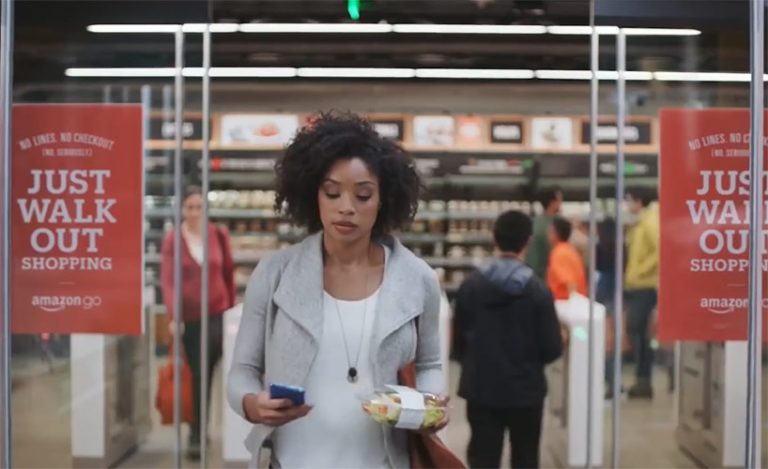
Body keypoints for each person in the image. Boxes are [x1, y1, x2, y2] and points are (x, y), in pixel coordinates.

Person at [226, 112, 446, 469]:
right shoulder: (276, 274)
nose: (346, 206)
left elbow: (430, 363)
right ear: (313, 194)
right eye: (332, 192)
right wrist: (252, 404)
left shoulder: (416, 279)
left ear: (383, 200)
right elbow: (243, 371)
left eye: (363, 195)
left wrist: (430, 405)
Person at [454, 210, 562, 469]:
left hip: (481, 389)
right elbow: (551, 348)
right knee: (525, 458)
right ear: (528, 241)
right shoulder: (538, 291)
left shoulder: (471, 286)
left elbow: (458, 343)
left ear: (494, 238)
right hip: (525, 392)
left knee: (482, 457)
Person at [160, 185, 236, 460]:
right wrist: (173, 315)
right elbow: (168, 280)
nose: (194, 212)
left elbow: (228, 271)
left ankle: (209, 430)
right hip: (190, 320)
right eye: (189, 207)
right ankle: (196, 434)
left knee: (214, 372)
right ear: (182, 210)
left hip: (217, 315)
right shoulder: (173, 239)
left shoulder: (218, 235)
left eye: (198, 207)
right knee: (198, 376)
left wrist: (230, 309)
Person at [624, 188, 660, 399]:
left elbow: (660, 250)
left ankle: (644, 380)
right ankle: (642, 380)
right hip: (638, 285)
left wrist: (641, 270)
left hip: (645, 285)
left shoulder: (650, 221)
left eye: (629, 200)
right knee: (636, 332)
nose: (628, 205)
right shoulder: (641, 222)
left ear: (639, 201)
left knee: (637, 331)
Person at [546, 217, 587, 301]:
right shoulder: (570, 250)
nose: (547, 235)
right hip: (573, 301)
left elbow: (569, 282)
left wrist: (574, 303)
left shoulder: (558, 253)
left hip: (564, 303)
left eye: (550, 232)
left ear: (555, 233)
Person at [526, 187, 563, 280]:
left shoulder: (533, 222)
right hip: (548, 277)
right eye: (559, 201)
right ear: (552, 203)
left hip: (532, 274)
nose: (560, 204)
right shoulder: (557, 224)